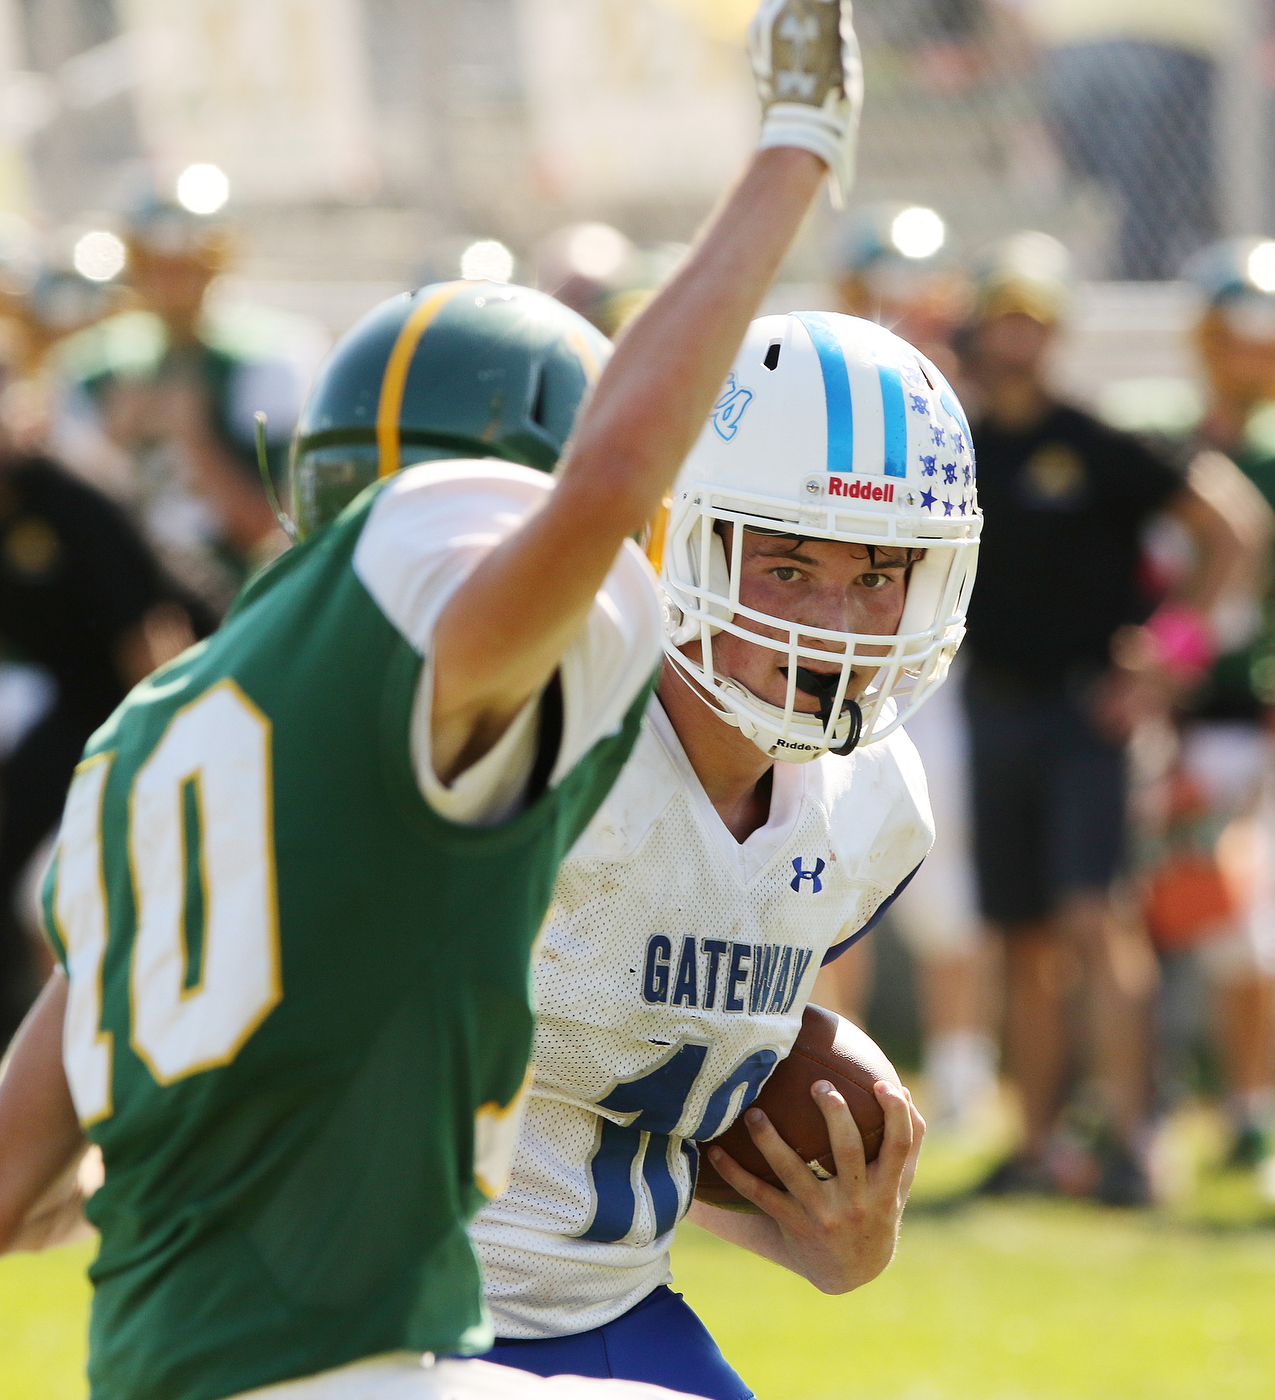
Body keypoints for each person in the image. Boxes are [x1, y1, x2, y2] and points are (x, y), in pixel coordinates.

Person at [0, 4, 867, 1398]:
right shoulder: (433, 589)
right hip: (346, 1367)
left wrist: (212, 1133)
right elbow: (598, 491)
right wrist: (793, 151)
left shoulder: (156, 729)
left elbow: (14, 1186)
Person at [468, 301, 978, 1398]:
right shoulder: (549, 746)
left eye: (879, 574)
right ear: (676, 538)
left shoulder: (873, 805)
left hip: (610, 1298)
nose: (836, 623)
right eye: (787, 569)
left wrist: (822, 1233)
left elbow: (664, 1092)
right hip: (393, 1297)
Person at [960, 232, 1249, 1203]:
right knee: (1018, 935)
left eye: (1033, 321)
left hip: (1088, 710)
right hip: (994, 705)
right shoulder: (957, 442)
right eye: (1005, 316)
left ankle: (1133, 1138)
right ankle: (1034, 1142)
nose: (1016, 338)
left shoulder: (1096, 440)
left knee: (1095, 917)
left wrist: (1169, 659)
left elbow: (1232, 529)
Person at [817, 202, 994, 1132]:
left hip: (926, 657)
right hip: (832, 654)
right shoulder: (823, 389)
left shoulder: (951, 400)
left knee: (946, 875)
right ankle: (824, 1062)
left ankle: (963, 1070)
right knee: (819, 865)